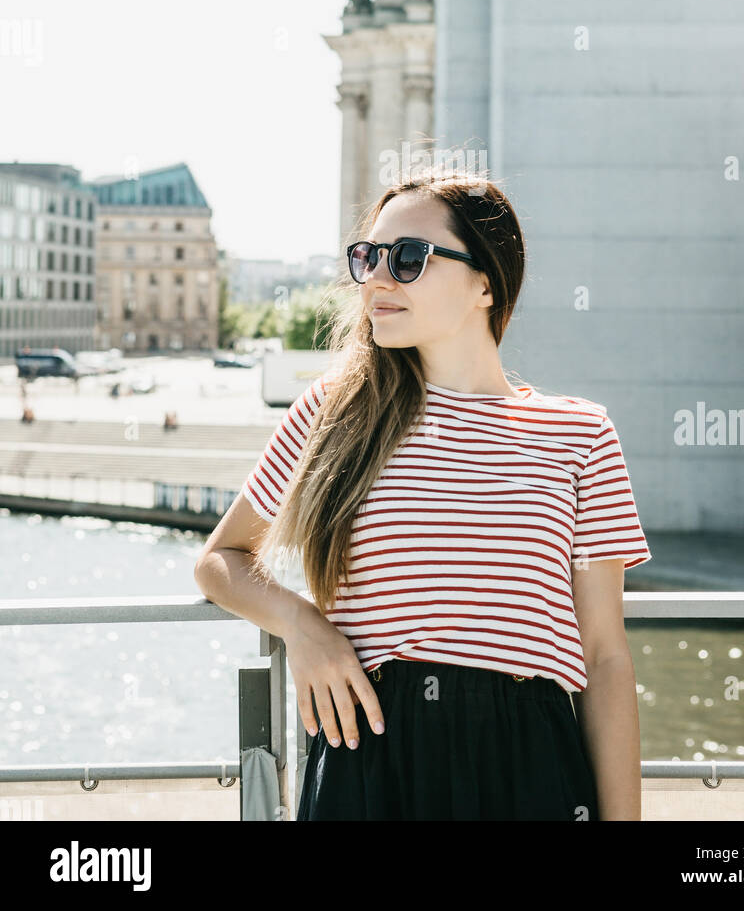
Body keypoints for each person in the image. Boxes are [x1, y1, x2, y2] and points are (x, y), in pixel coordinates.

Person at [194, 168, 652, 820]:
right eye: (368, 257)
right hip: (371, 753)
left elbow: (605, 656)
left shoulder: (579, 434)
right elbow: (221, 560)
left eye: (408, 258)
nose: (377, 278)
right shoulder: (334, 413)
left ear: (485, 283)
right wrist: (301, 623)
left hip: (527, 761)